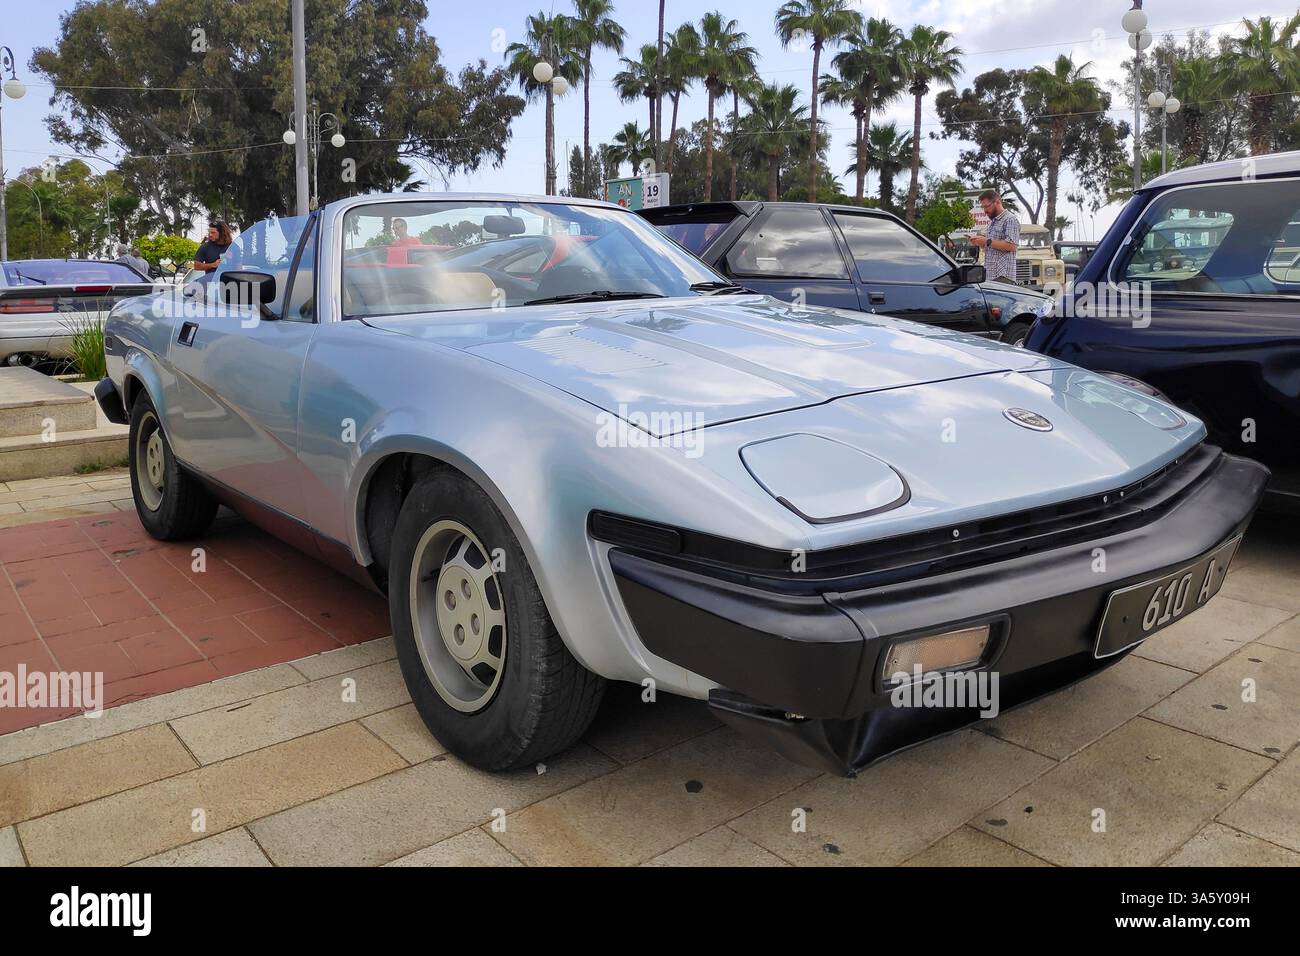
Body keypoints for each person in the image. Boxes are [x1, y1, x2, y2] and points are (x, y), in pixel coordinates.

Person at [971, 189, 1021, 283]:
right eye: (983, 207)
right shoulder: (992, 222)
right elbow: (992, 247)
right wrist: (980, 242)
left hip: (1003, 276)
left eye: (987, 206)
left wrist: (986, 241)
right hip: (991, 275)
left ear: (997, 202)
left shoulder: (1010, 219)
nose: (985, 211)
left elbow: (1012, 246)